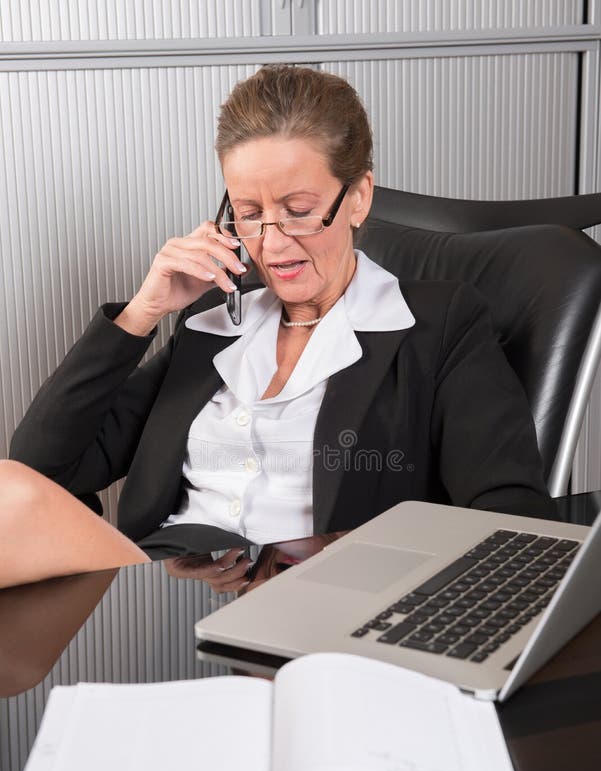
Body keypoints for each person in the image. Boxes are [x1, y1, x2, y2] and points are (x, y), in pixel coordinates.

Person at [2, 64, 556, 588]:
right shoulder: (210, 326)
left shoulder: (438, 324)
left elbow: (507, 516)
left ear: (358, 197)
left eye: (298, 208)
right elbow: (39, 472)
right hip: (171, 599)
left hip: (335, 615)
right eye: (248, 212)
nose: (271, 241)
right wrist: (143, 312)